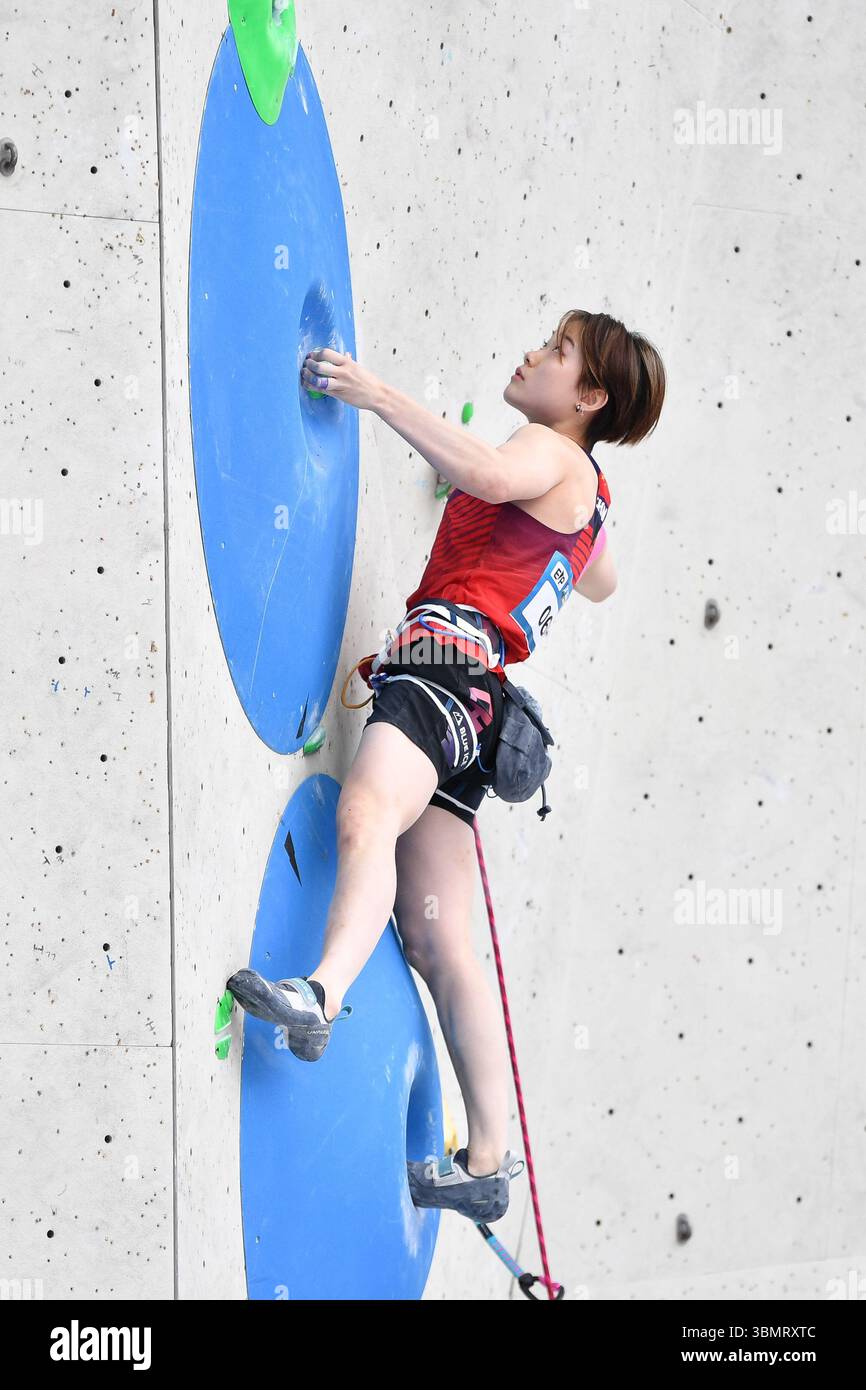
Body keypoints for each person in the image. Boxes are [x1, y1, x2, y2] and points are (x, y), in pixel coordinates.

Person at [227, 309, 666, 1222]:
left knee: (365, 813)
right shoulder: (589, 495)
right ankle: (490, 1161)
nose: (531, 354)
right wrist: (504, 518)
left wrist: (374, 392)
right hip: (478, 703)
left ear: (587, 398)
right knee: (439, 942)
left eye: (555, 353)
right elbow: (599, 577)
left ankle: (320, 993)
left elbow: (494, 471)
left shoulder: (550, 451)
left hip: (444, 670)